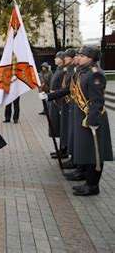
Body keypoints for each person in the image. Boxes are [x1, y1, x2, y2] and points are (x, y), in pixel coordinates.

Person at [40, 46, 112, 196]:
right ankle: (86, 178)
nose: (77, 58)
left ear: (91, 58)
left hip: (92, 119)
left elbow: (97, 102)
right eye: (78, 55)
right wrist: (49, 96)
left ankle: (93, 186)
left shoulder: (95, 74)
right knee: (85, 149)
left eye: (81, 55)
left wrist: (92, 121)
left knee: (94, 153)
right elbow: (69, 90)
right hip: (82, 117)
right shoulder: (80, 73)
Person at [47, 51, 66, 156]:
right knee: (56, 126)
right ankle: (61, 149)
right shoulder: (58, 70)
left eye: (57, 58)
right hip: (54, 101)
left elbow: (62, 89)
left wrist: (58, 103)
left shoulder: (64, 71)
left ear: (62, 59)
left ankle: (64, 149)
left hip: (58, 101)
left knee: (61, 126)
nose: (55, 59)